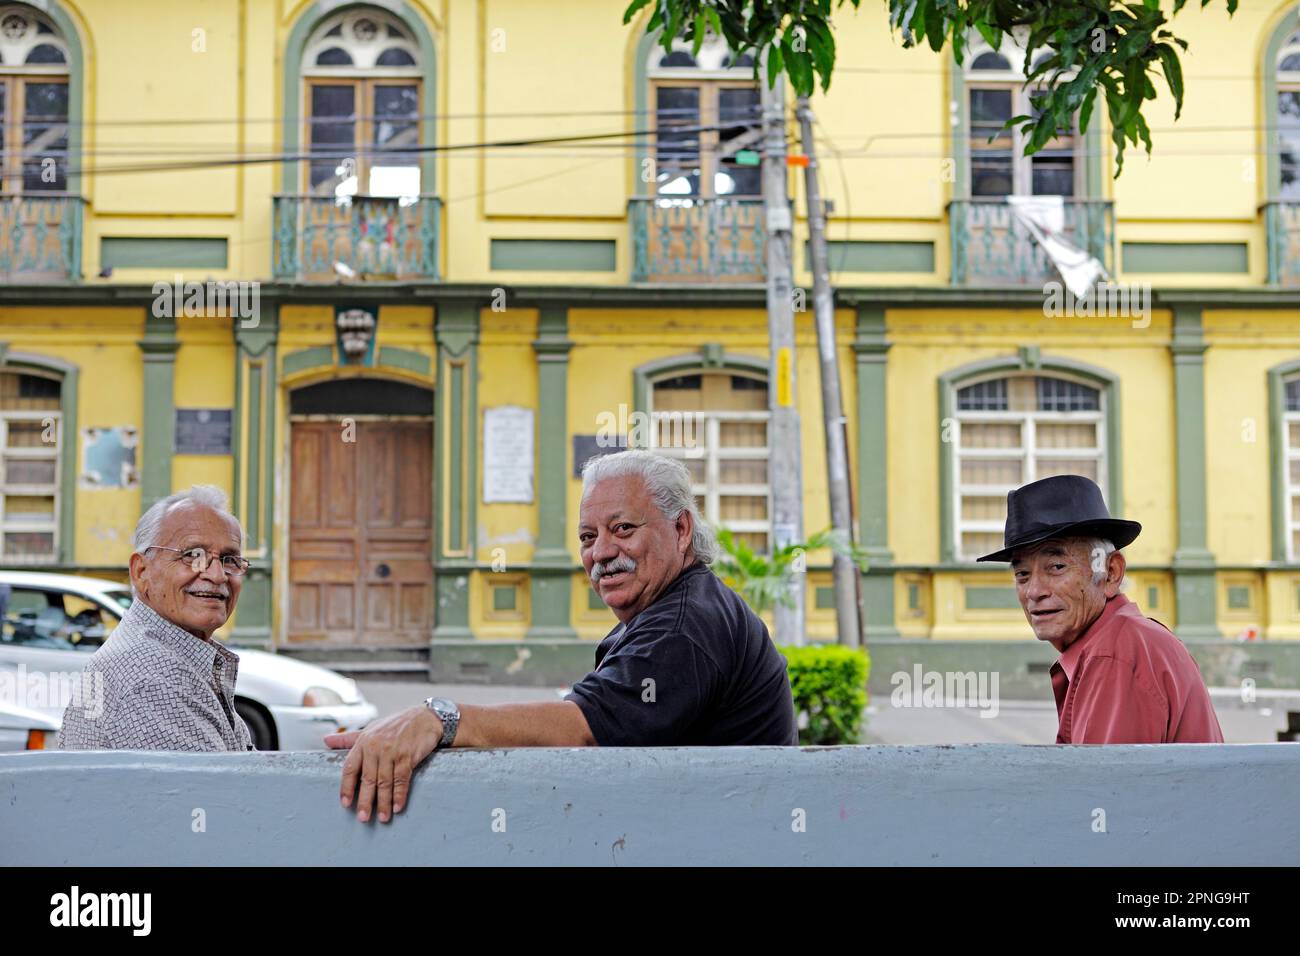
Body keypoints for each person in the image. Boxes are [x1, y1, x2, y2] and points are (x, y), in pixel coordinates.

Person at [328, 449, 797, 823]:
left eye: (623, 529)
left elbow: (584, 730)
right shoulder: (672, 609)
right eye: (588, 537)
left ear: (680, 529)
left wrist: (439, 720)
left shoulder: (684, 624)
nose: (602, 553)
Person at [979, 474, 1223, 744]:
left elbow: (1104, 785)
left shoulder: (1116, 653)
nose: (1034, 591)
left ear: (1111, 572)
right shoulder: (1126, 639)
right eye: (1022, 574)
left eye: (1057, 567)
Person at [57, 485, 254, 752]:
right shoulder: (151, 680)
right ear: (141, 571)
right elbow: (221, 792)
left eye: (230, 559)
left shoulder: (175, 656)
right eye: (193, 556)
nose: (217, 575)